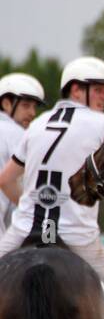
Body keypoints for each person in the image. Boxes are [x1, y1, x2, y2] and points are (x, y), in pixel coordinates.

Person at [0, 57, 104, 319]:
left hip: (25, 229)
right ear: (77, 90)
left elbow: (5, 180)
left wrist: (30, 206)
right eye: (99, 90)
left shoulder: (38, 123)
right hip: (75, 233)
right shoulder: (102, 124)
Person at [0, 73, 46, 230]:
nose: (32, 113)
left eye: (34, 107)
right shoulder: (18, 134)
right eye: (26, 106)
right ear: (6, 104)